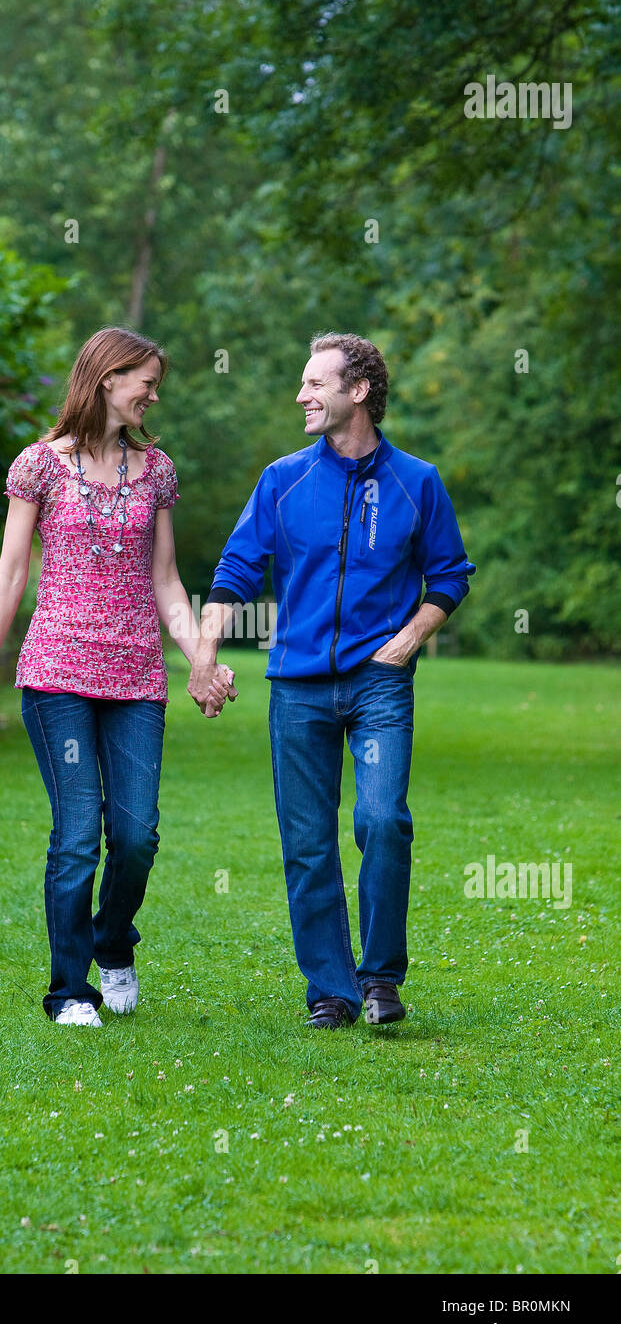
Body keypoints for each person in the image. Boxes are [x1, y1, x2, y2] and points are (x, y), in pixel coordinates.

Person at [188, 333, 475, 1030]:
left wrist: (403, 645)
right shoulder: (282, 479)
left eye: (315, 384)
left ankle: (379, 979)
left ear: (358, 392)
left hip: (379, 684)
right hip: (297, 686)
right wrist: (204, 657)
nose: (301, 396)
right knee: (307, 841)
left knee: (382, 821)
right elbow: (233, 573)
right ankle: (331, 991)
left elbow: (449, 576)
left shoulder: (417, 481)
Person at [0, 327, 233, 1027]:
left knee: (138, 834)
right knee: (79, 833)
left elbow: (167, 581)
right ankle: (68, 990)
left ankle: (114, 941)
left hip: (137, 678)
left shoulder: (158, 471)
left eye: (155, 383)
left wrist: (198, 659)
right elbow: (12, 571)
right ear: (107, 378)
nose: (153, 393)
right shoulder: (39, 466)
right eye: (144, 380)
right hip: (56, 673)